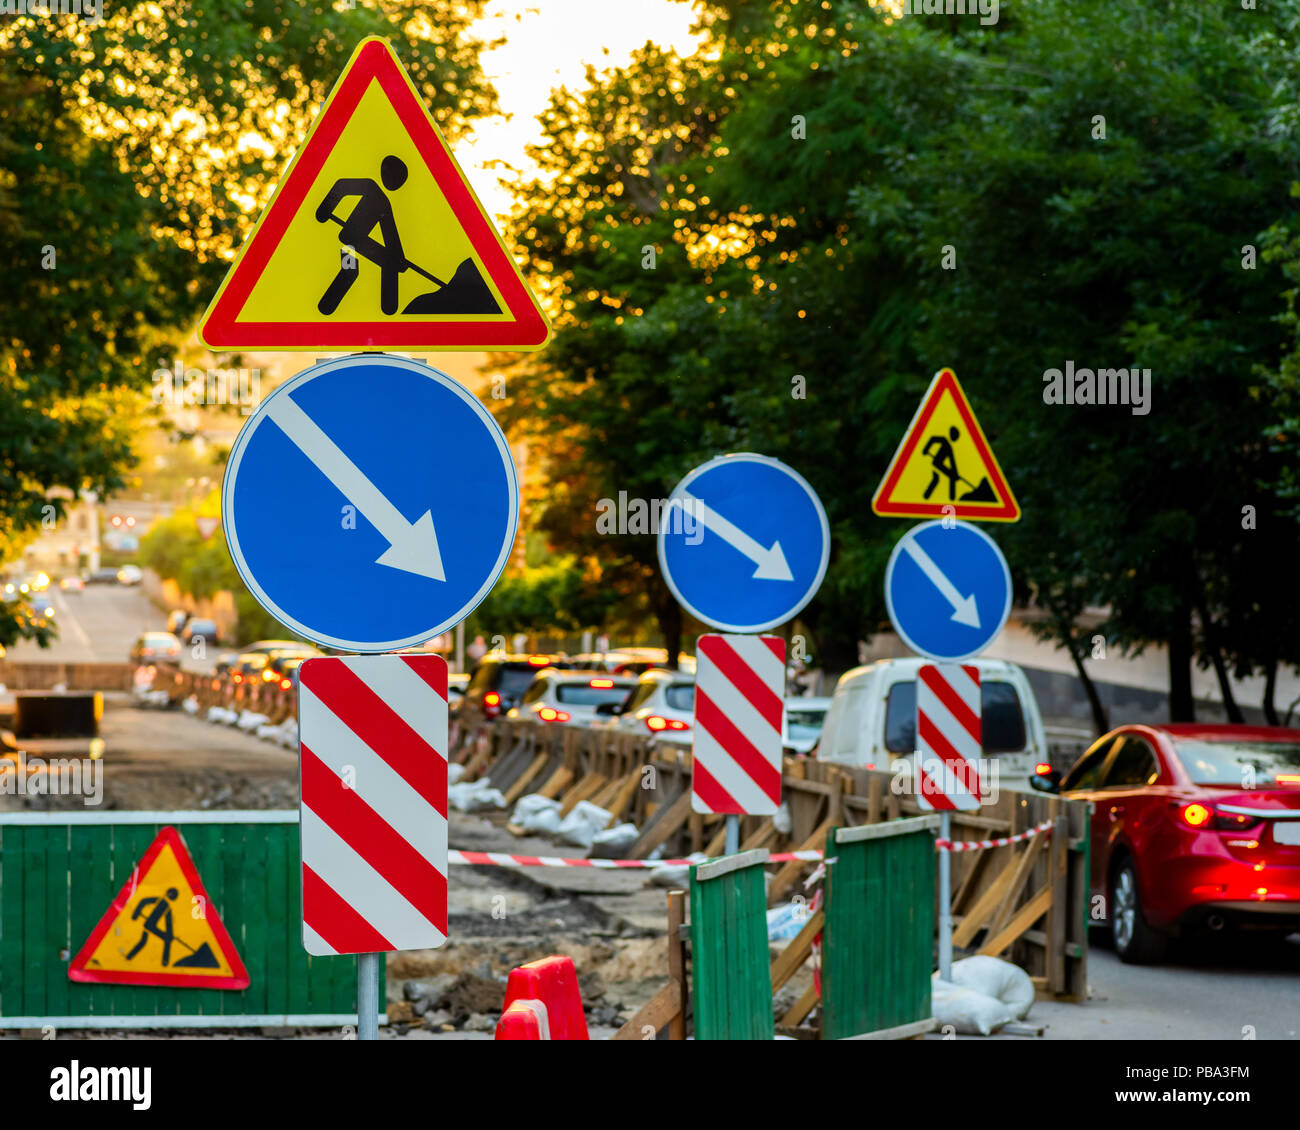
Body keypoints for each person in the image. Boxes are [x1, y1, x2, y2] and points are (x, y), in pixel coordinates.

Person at [315, 155, 410, 316]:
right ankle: (326, 308)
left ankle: (389, 308)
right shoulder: (370, 187)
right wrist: (324, 210)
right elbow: (341, 187)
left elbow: (390, 234)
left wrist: (399, 258)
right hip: (350, 241)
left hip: (356, 242)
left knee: (386, 262)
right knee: (351, 271)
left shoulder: (384, 203)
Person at [922, 426, 963, 501]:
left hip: (939, 464)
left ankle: (952, 499)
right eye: (955, 436)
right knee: (937, 479)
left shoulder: (949, 448)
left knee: (949, 477)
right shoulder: (944, 441)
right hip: (936, 463)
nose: (955, 439)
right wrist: (926, 448)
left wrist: (956, 473)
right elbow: (932, 439)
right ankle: (926, 496)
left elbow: (952, 462)